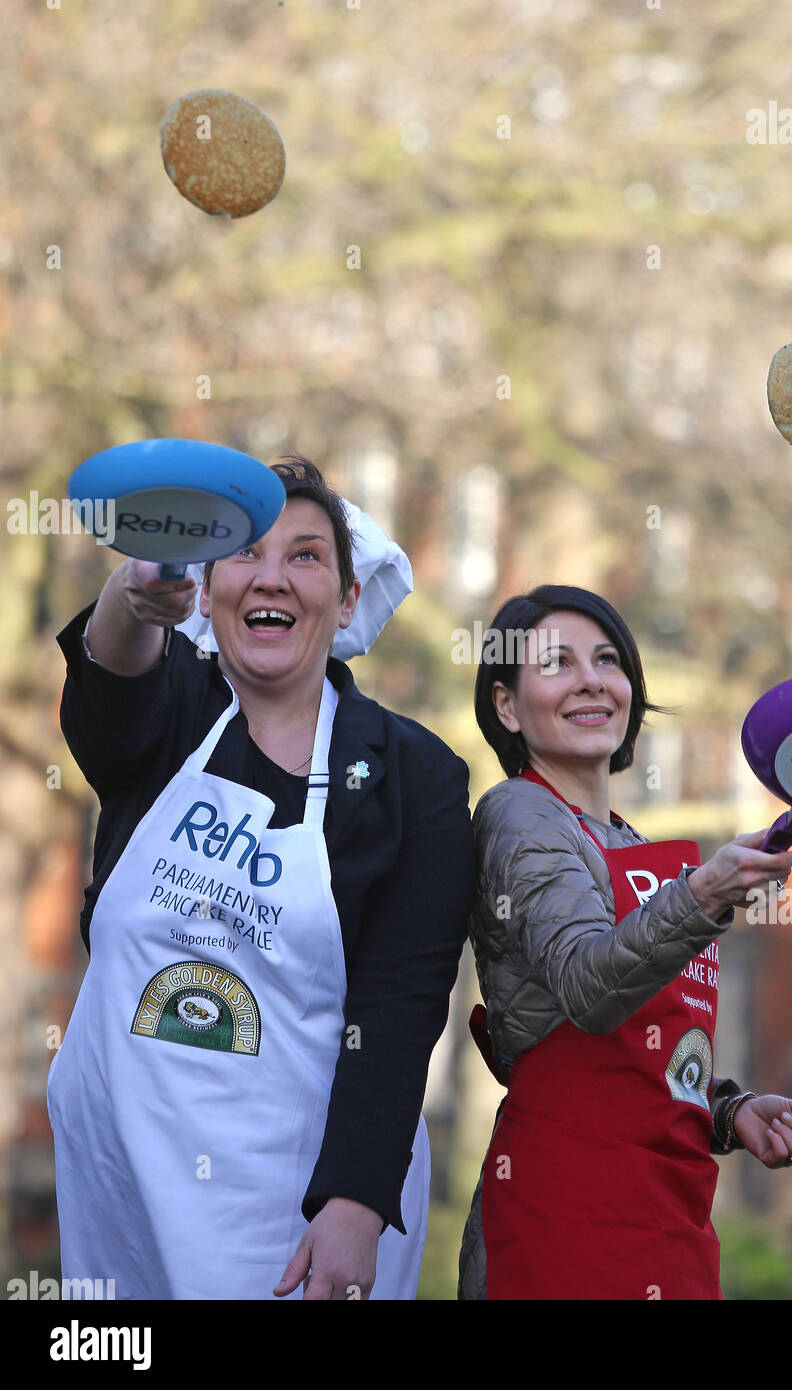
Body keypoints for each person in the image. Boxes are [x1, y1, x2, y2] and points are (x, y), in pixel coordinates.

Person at [48, 455, 474, 1300]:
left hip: (302, 1204)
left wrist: (354, 1204)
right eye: (244, 552)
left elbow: (399, 1004)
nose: (271, 576)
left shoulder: (413, 774)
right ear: (206, 591)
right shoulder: (171, 715)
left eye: (307, 556)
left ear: (348, 599)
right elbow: (109, 672)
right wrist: (134, 594)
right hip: (125, 1175)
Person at [458, 585, 792, 1301]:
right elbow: (587, 988)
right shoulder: (519, 812)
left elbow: (648, 1057)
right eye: (557, 664)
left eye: (607, 660)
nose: (591, 680)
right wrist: (702, 895)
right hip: (564, 1211)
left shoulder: (635, 848)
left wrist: (725, 1108)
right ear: (507, 706)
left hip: (667, 1206)